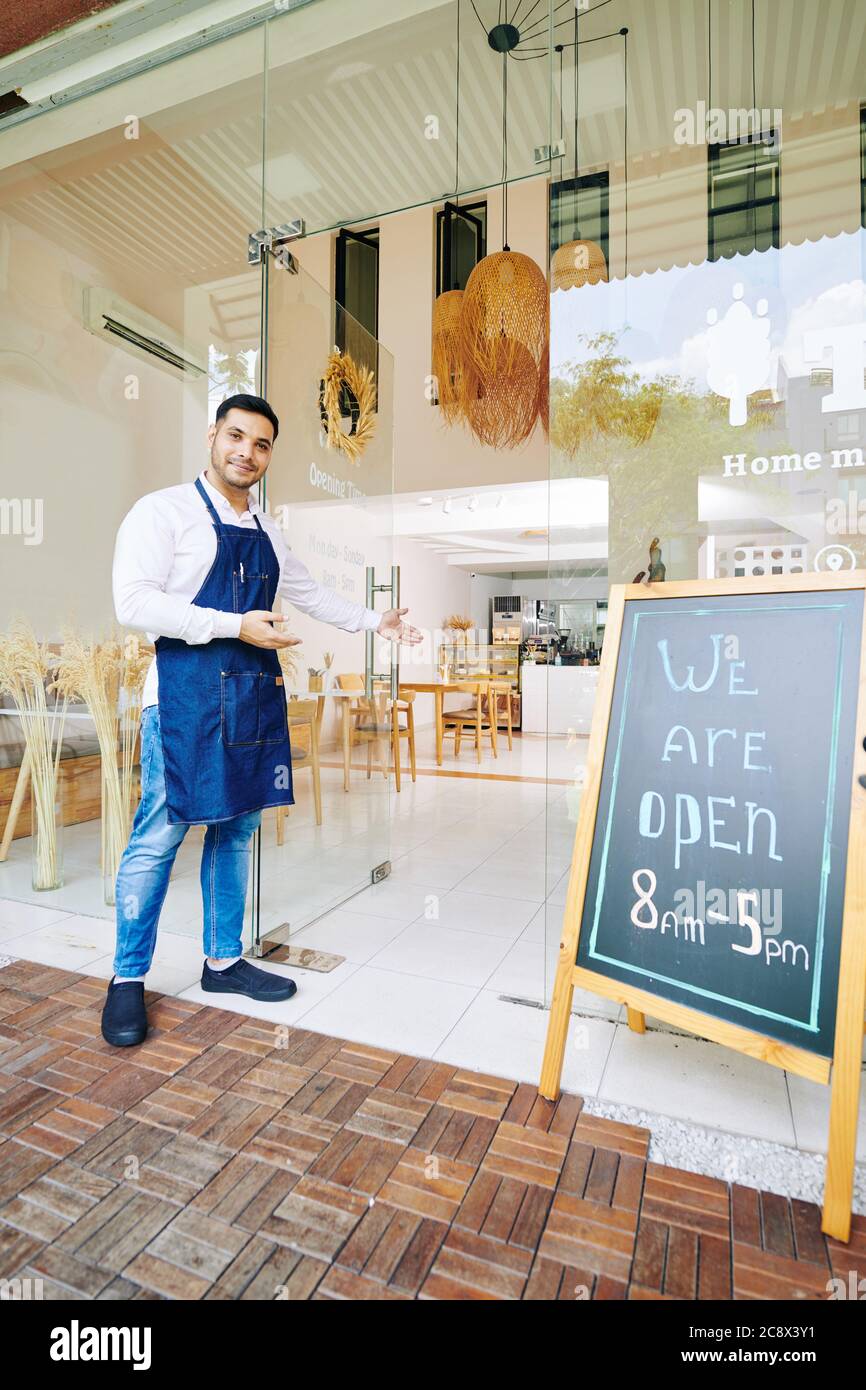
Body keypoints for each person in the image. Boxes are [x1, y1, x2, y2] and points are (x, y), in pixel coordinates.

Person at [101, 393, 421, 1047]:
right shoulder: (161, 512)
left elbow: (306, 593)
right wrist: (232, 624)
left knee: (237, 832)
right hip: (183, 699)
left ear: (270, 455)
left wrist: (373, 621)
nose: (247, 452)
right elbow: (133, 602)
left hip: (250, 697)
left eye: (262, 443)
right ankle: (126, 979)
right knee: (158, 838)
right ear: (213, 436)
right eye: (236, 437)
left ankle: (223, 962)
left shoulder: (271, 529)